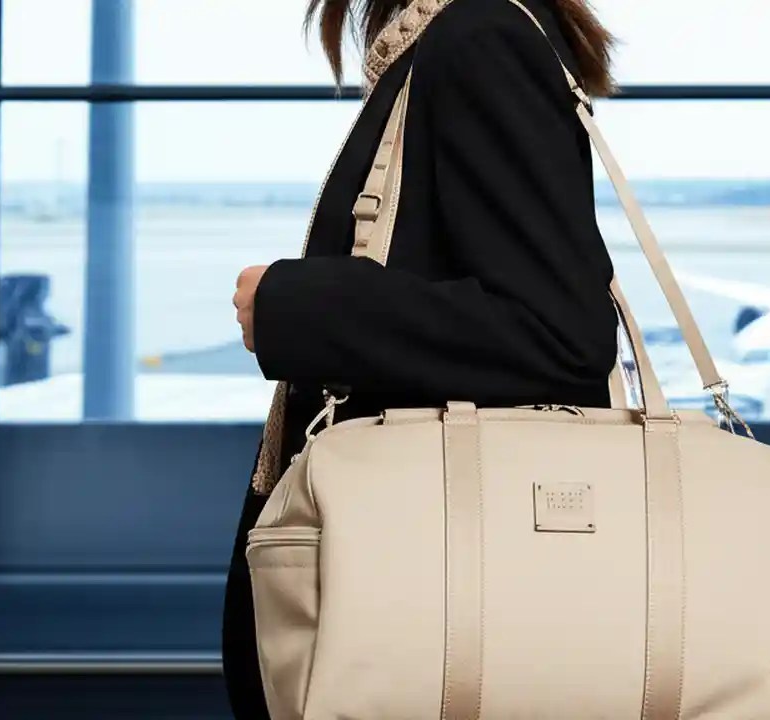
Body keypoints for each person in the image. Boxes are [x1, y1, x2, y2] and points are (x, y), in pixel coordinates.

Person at [222, 0, 620, 716]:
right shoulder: (462, 36)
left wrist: (300, 308)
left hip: (422, 609)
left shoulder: (481, 38)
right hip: (437, 598)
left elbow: (556, 330)